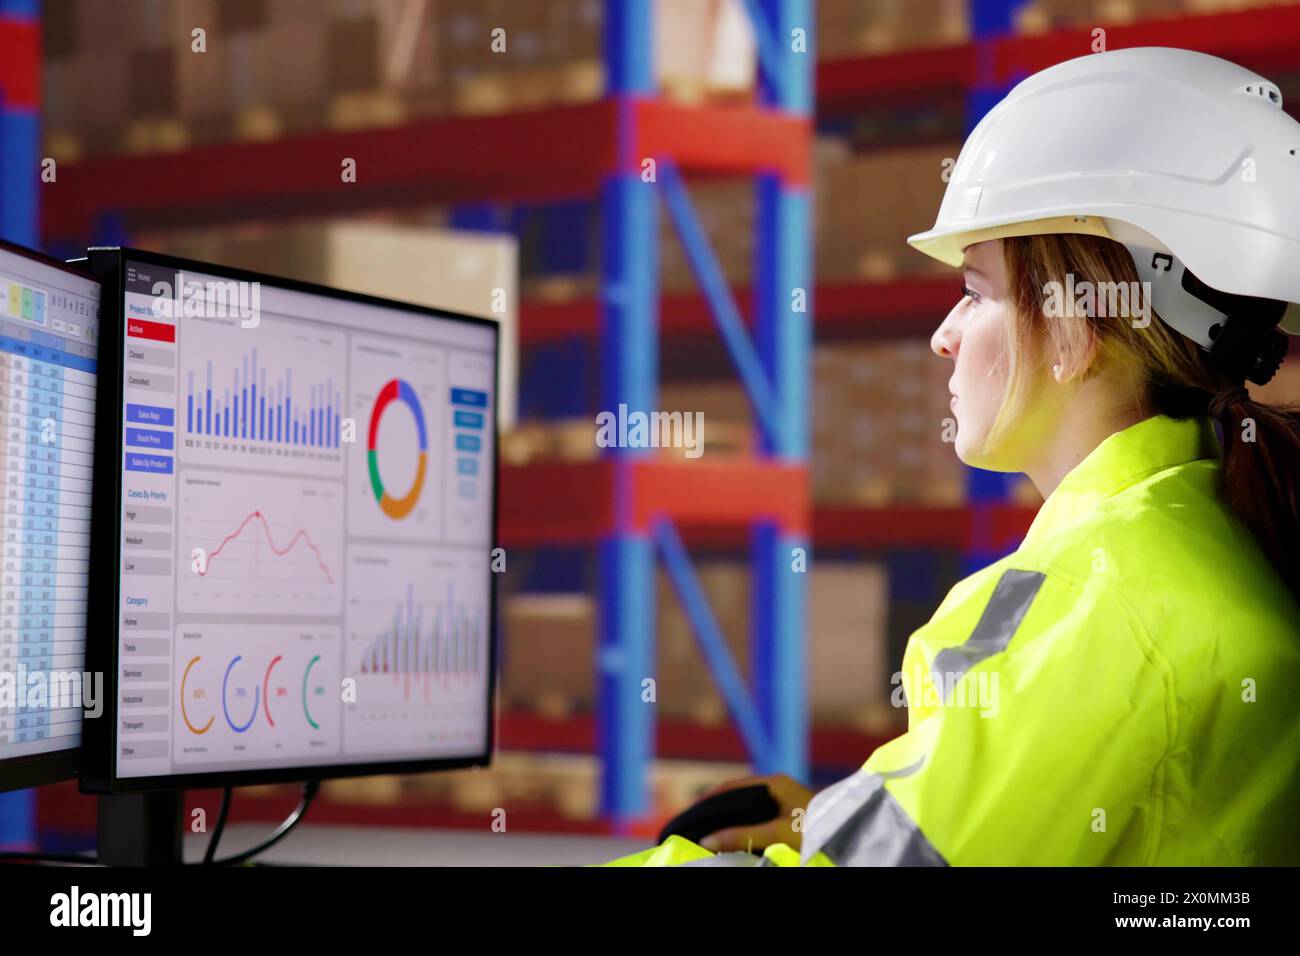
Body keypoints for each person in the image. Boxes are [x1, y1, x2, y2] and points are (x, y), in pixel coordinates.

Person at [601, 46, 1300, 867]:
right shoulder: (1211, 532)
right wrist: (833, 817)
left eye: (974, 291)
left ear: (1076, 328)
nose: (942, 338)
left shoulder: (1100, 600)